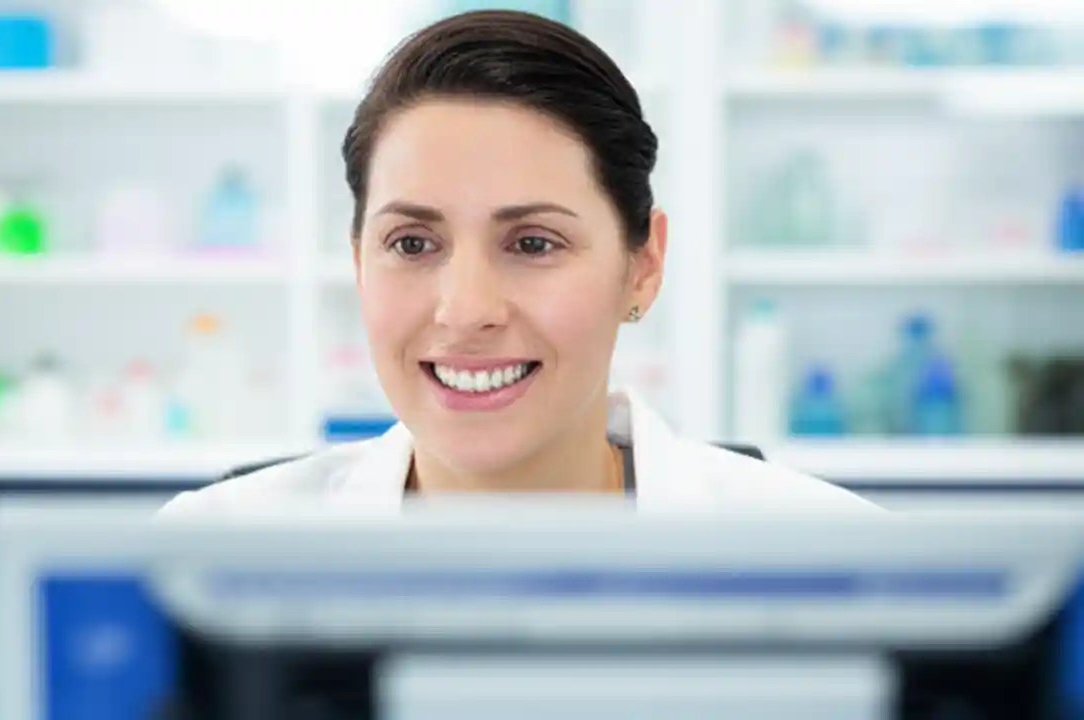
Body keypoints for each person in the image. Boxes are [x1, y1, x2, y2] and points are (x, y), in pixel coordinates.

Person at [161, 10, 875, 517]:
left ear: (643, 266)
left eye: (534, 243)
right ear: (358, 264)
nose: (466, 309)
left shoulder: (841, 557)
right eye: (412, 244)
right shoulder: (206, 558)